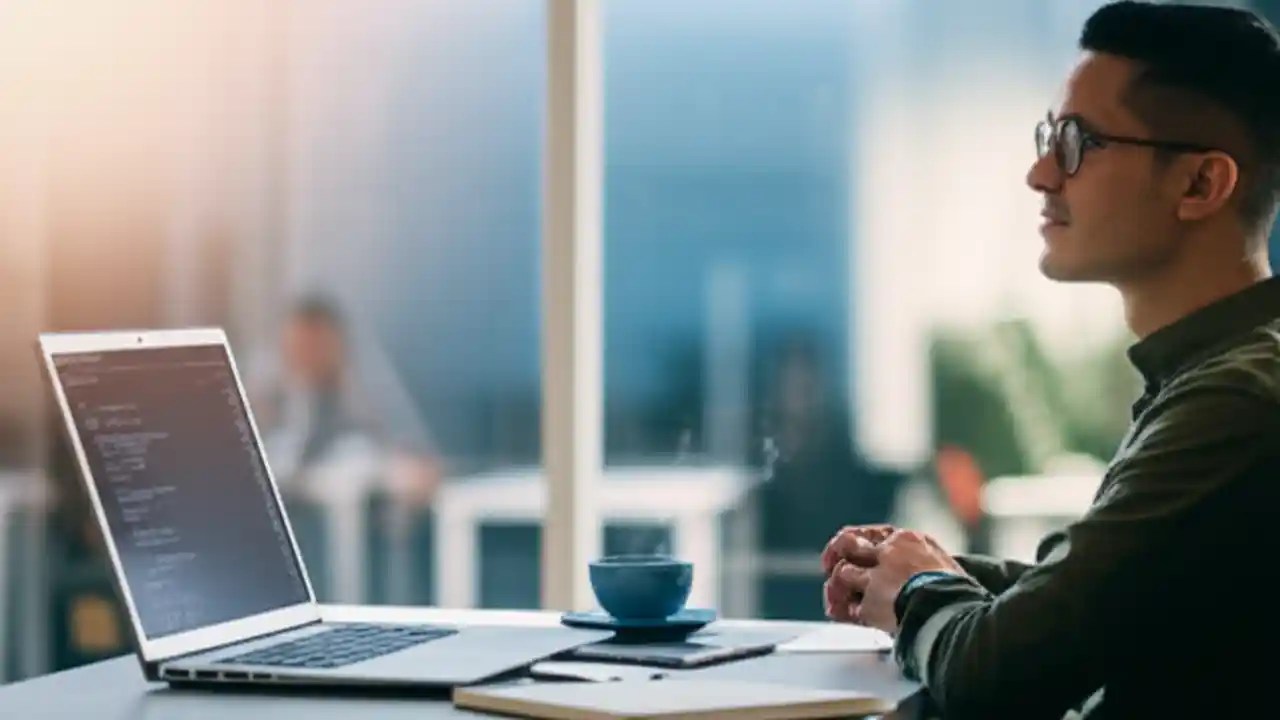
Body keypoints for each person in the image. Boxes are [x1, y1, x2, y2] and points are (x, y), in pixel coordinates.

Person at [821, 3, 1280, 718]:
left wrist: (918, 592)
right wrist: (925, 568)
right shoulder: (1223, 373)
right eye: (1050, 135)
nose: (1040, 173)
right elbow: (1113, 601)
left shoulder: (1239, 399)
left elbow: (999, 675)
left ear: (1200, 185)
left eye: (1079, 142)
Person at [250, 295, 442, 506]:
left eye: (315, 346)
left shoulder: (364, 390)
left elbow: (420, 463)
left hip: (354, 513)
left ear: (337, 345)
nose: (307, 356)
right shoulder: (270, 392)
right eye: (298, 347)